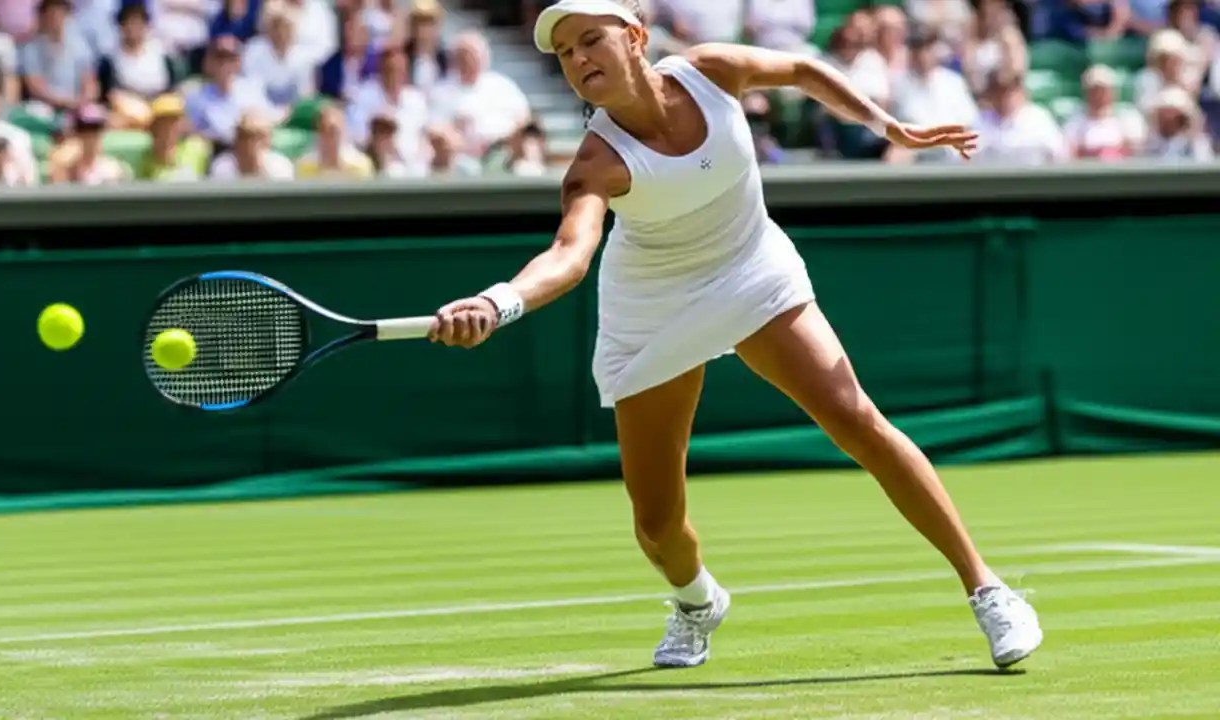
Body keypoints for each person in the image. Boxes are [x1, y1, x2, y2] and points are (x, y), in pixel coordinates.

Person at [426, 0, 1044, 671]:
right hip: (651, 309)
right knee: (657, 527)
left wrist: (888, 124)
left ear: (634, 36)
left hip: (751, 270)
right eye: (566, 53)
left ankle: (988, 588)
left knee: (855, 417)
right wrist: (499, 302)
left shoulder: (710, 69)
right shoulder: (596, 163)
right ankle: (698, 603)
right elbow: (569, 256)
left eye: (589, 40)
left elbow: (804, 69)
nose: (578, 60)